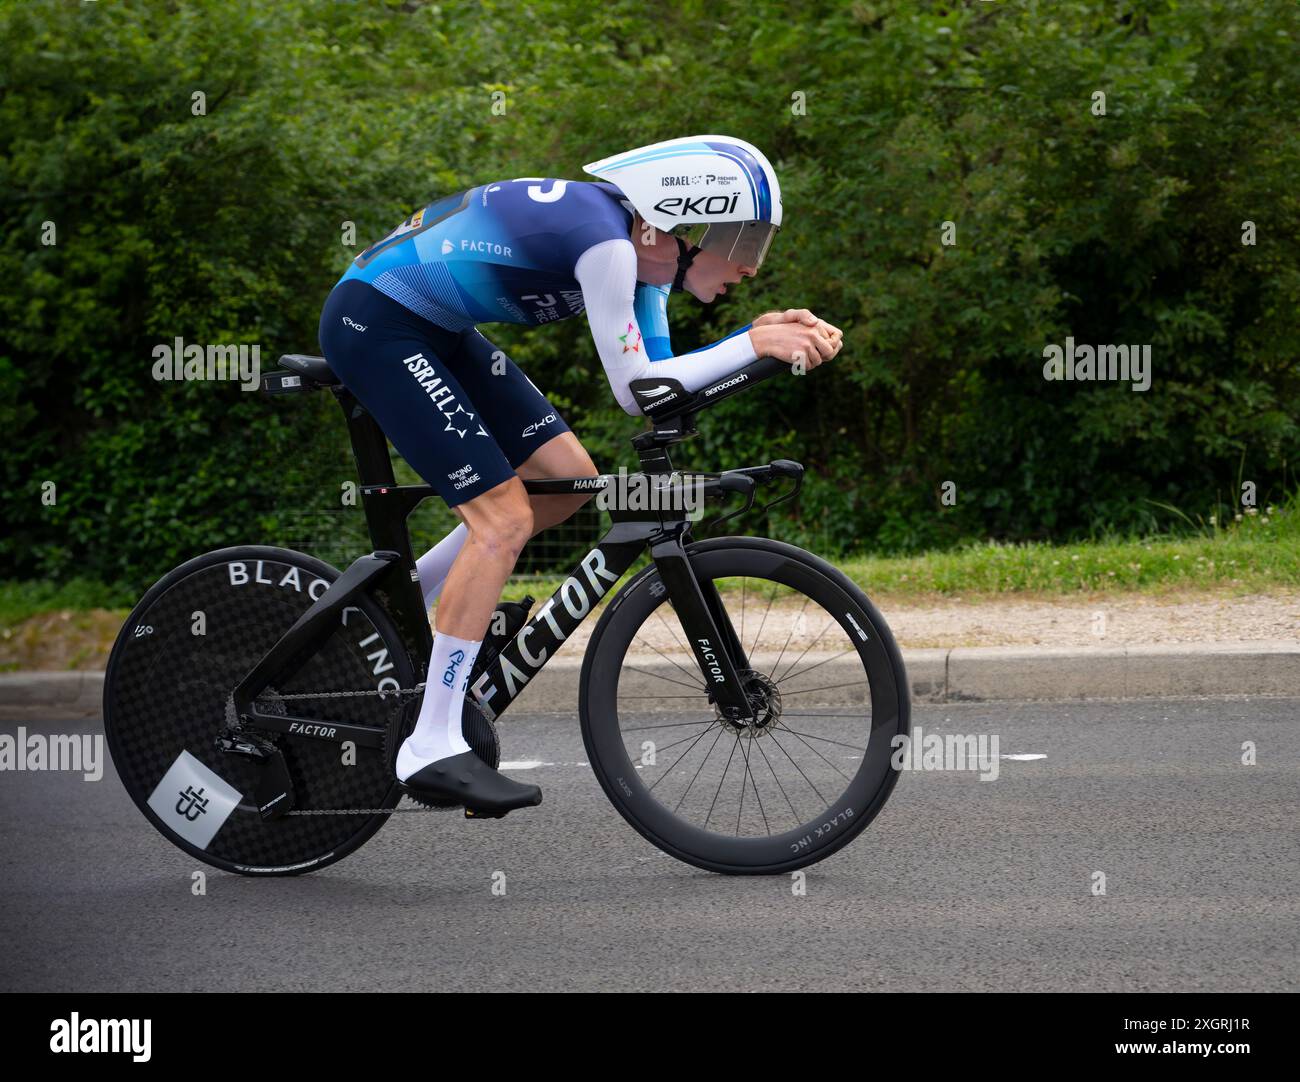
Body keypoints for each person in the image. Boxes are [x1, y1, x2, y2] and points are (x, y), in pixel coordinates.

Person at [317, 135, 842, 815]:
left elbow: (650, 389)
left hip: (433, 328)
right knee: (501, 521)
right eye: (739, 241)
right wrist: (751, 342)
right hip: (376, 322)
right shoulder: (608, 247)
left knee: (565, 481)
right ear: (673, 223)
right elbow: (637, 382)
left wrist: (753, 339)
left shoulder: (641, 262)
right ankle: (432, 742)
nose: (747, 267)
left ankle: (413, 599)